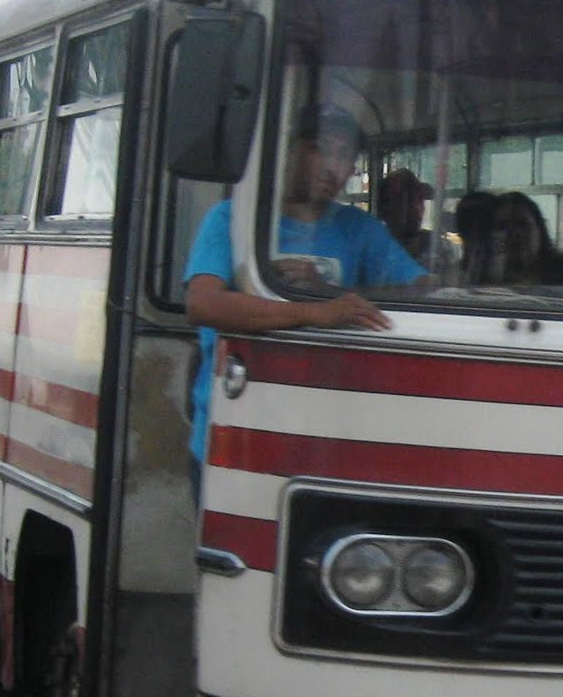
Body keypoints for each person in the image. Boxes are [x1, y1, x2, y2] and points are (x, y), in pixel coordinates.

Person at [183, 104, 427, 499]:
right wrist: (314, 310)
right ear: (288, 151)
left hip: (335, 431)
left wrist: (328, 293)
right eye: (319, 149)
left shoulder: (359, 230)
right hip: (238, 427)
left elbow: (424, 288)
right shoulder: (233, 218)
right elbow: (204, 304)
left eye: (346, 156)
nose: (333, 166)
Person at [375, 168, 456, 279]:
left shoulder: (438, 246)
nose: (417, 208)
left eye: (419, 200)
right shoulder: (373, 247)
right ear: (384, 209)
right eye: (405, 202)